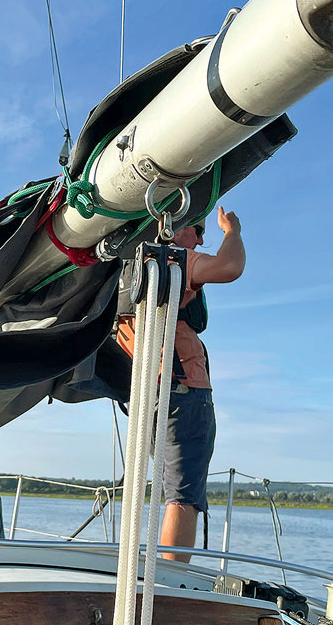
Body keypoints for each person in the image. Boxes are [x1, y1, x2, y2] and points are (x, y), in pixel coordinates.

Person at [114, 205, 244, 562]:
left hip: (152, 397)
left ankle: (158, 576)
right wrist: (232, 232)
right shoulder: (172, 262)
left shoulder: (125, 274)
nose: (202, 239)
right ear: (168, 226)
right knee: (182, 494)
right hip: (183, 394)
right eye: (198, 230)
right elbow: (230, 267)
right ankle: (170, 584)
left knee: (171, 488)